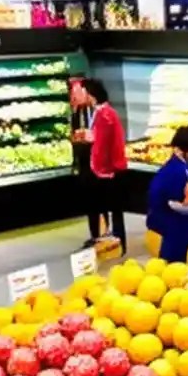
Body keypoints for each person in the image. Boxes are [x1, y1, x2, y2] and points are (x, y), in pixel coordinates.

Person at [147, 125, 188, 263]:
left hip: (179, 229)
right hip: (179, 230)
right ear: (187, 150)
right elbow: (186, 206)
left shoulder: (175, 167)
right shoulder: (177, 172)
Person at [81, 78, 127, 249]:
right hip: (111, 168)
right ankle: (112, 240)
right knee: (112, 207)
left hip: (109, 170)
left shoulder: (104, 114)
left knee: (112, 207)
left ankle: (116, 243)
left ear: (91, 95)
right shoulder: (104, 112)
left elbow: (102, 146)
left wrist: (98, 168)